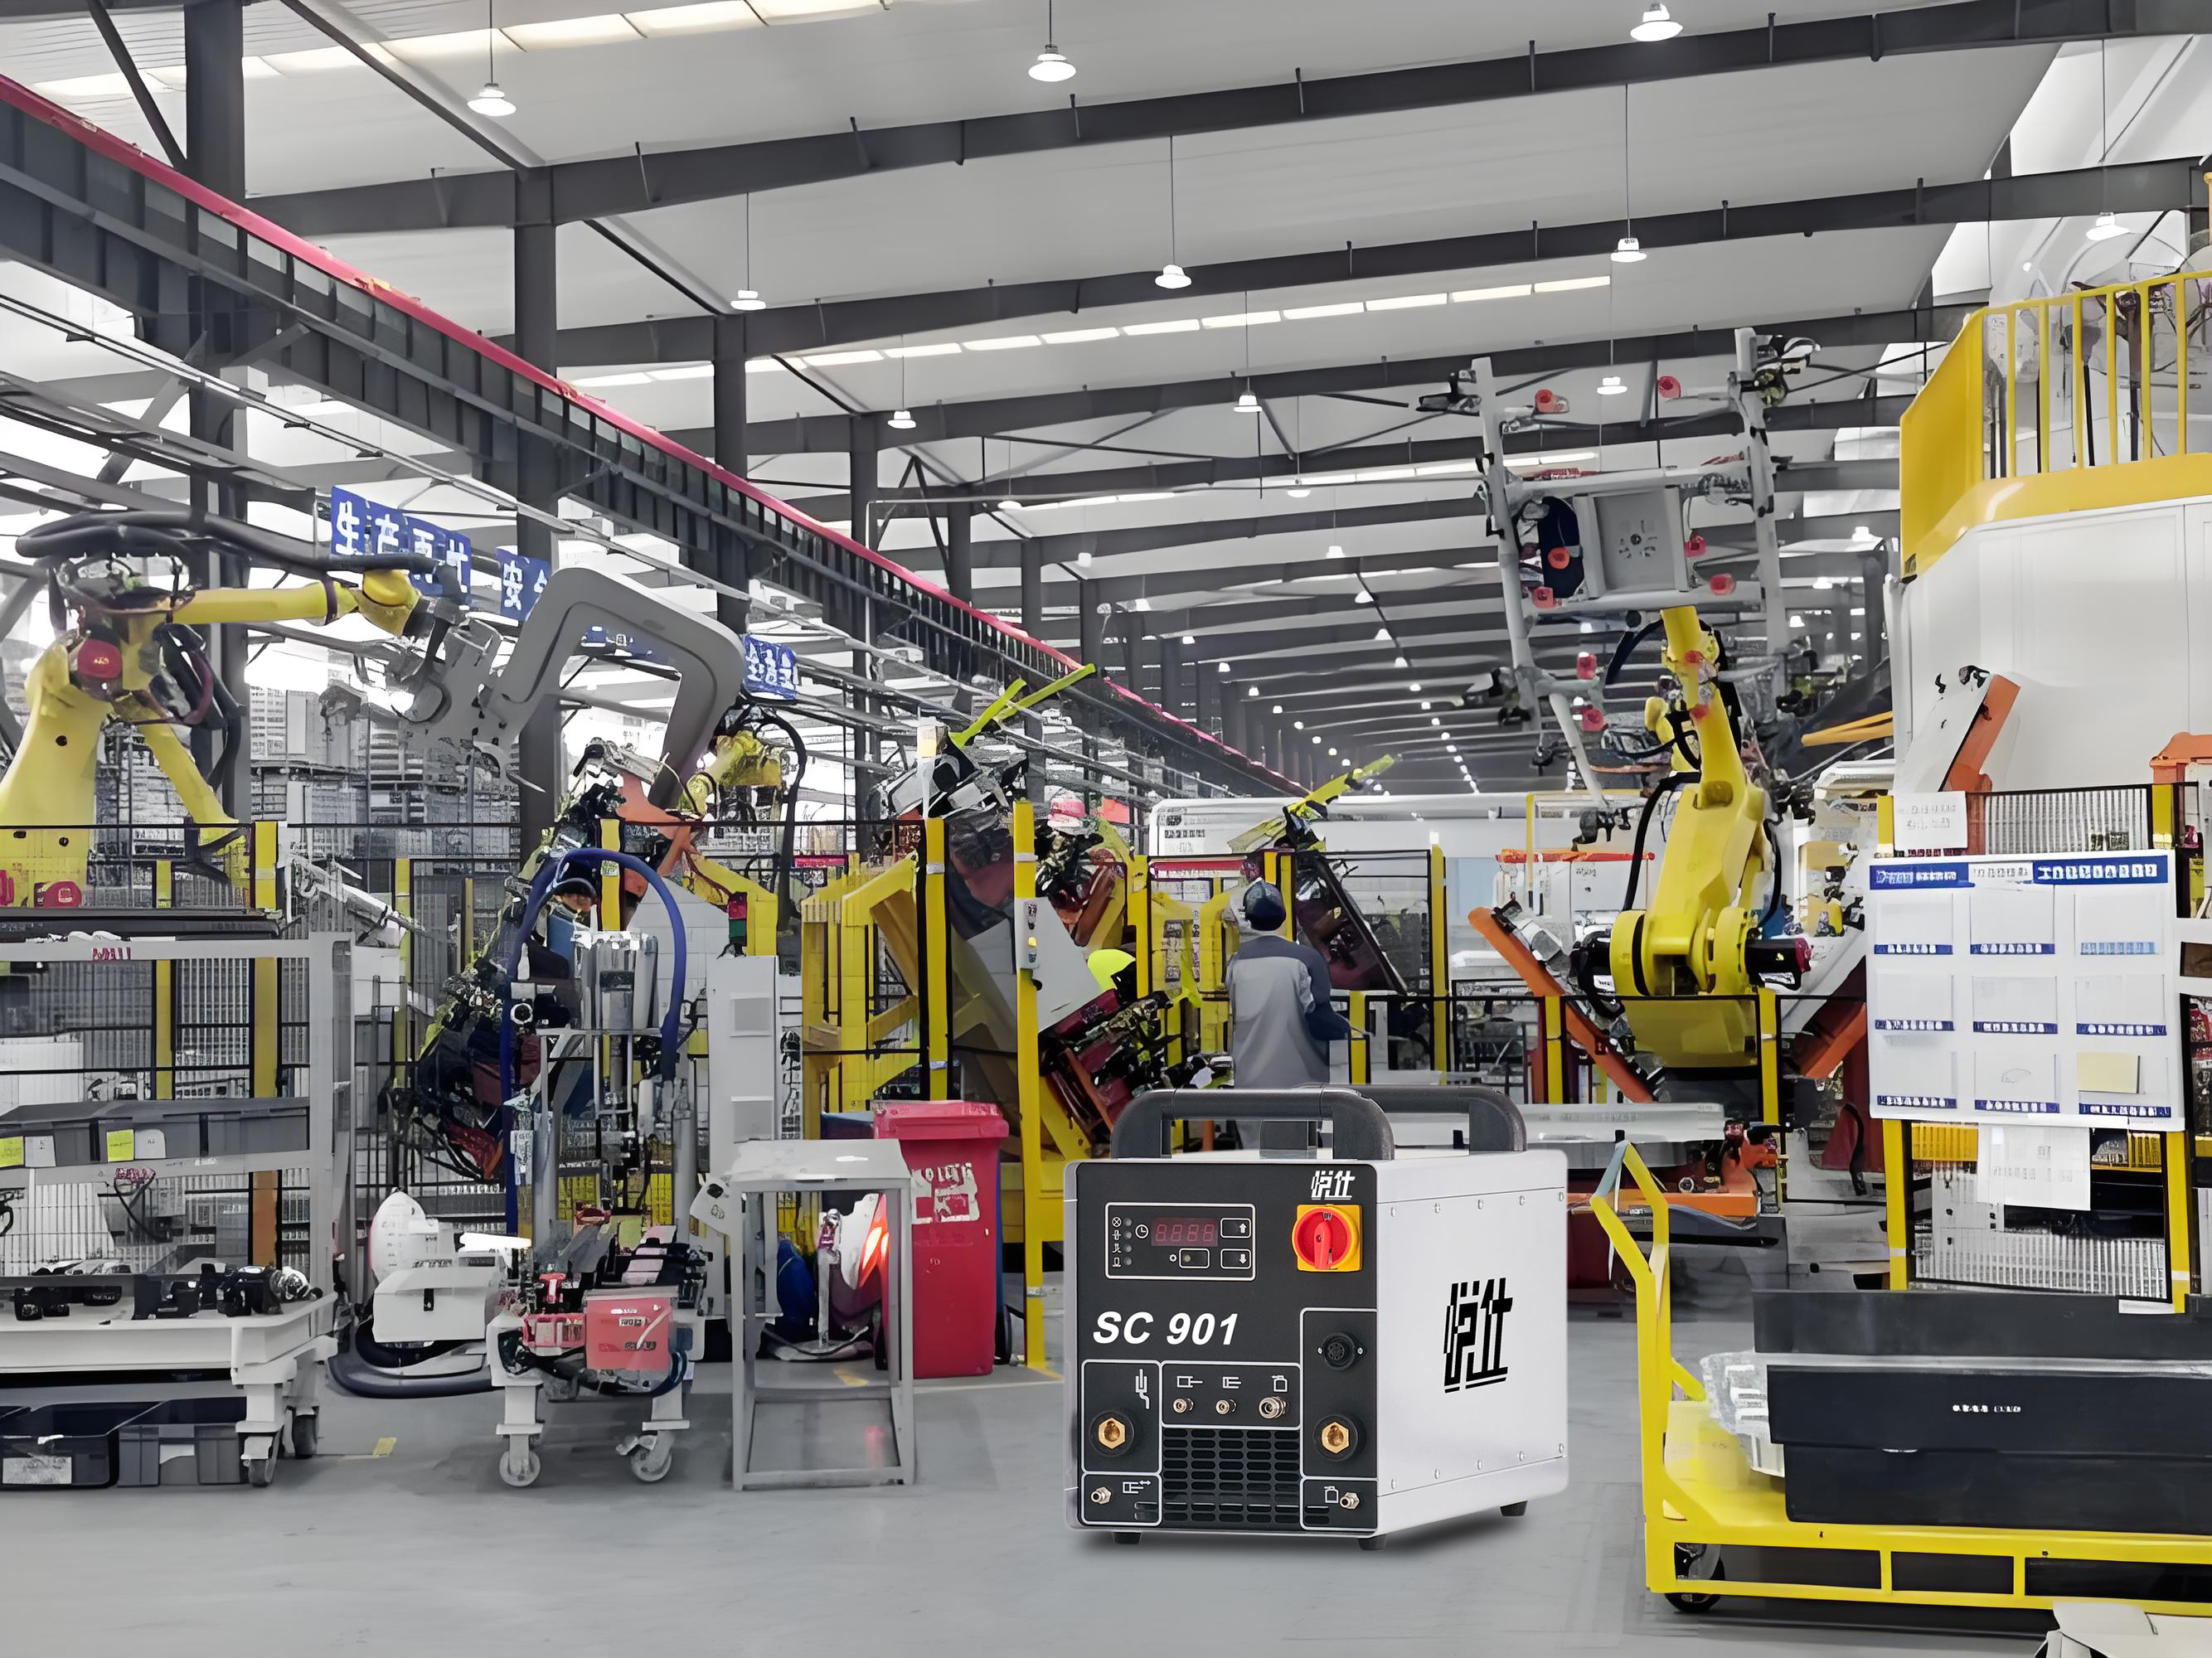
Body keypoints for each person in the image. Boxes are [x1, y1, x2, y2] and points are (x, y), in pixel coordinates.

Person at [1225, 879, 1357, 1088]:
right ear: (1284, 915)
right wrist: (1348, 1029)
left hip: (1248, 1083)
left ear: (1248, 919)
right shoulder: (1308, 959)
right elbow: (1320, 1020)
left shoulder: (1235, 963)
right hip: (1300, 1083)